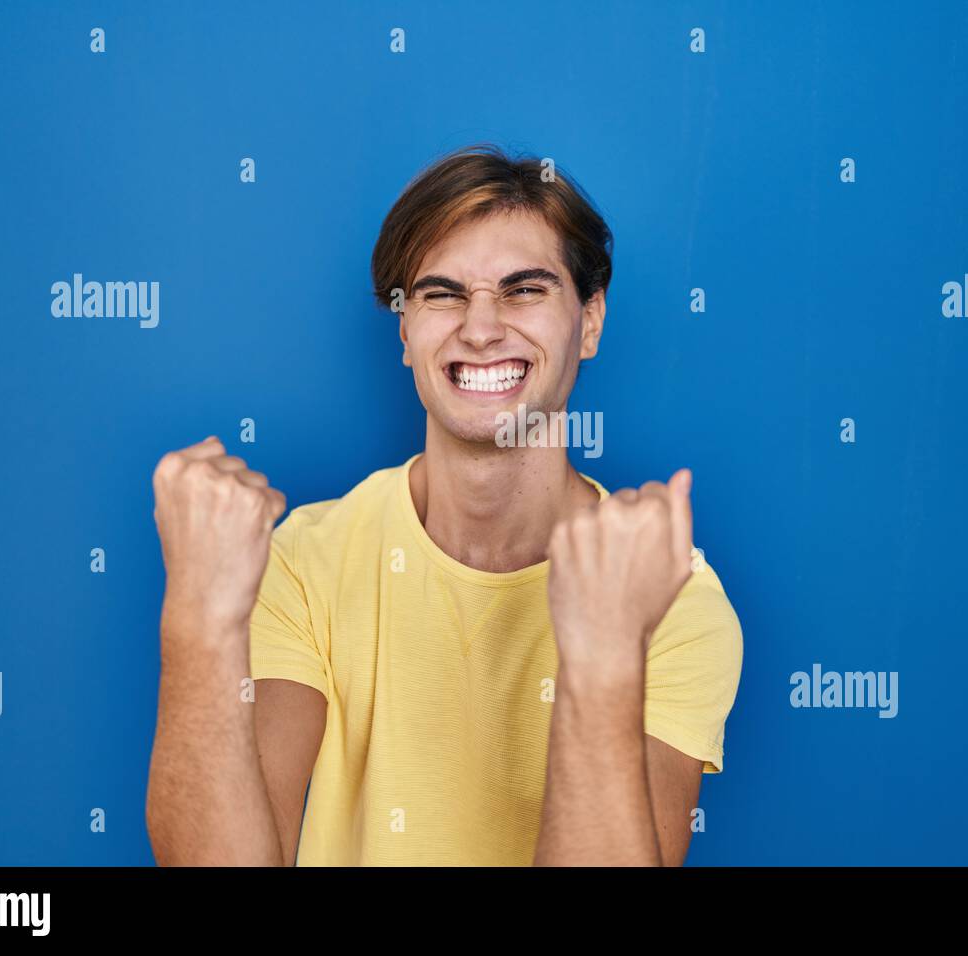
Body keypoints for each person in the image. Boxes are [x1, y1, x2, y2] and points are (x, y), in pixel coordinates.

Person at [146, 144, 743, 866]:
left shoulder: (671, 598)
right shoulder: (302, 563)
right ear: (405, 331)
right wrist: (196, 622)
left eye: (525, 290)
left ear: (589, 321)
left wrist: (607, 652)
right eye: (442, 293)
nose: (481, 327)